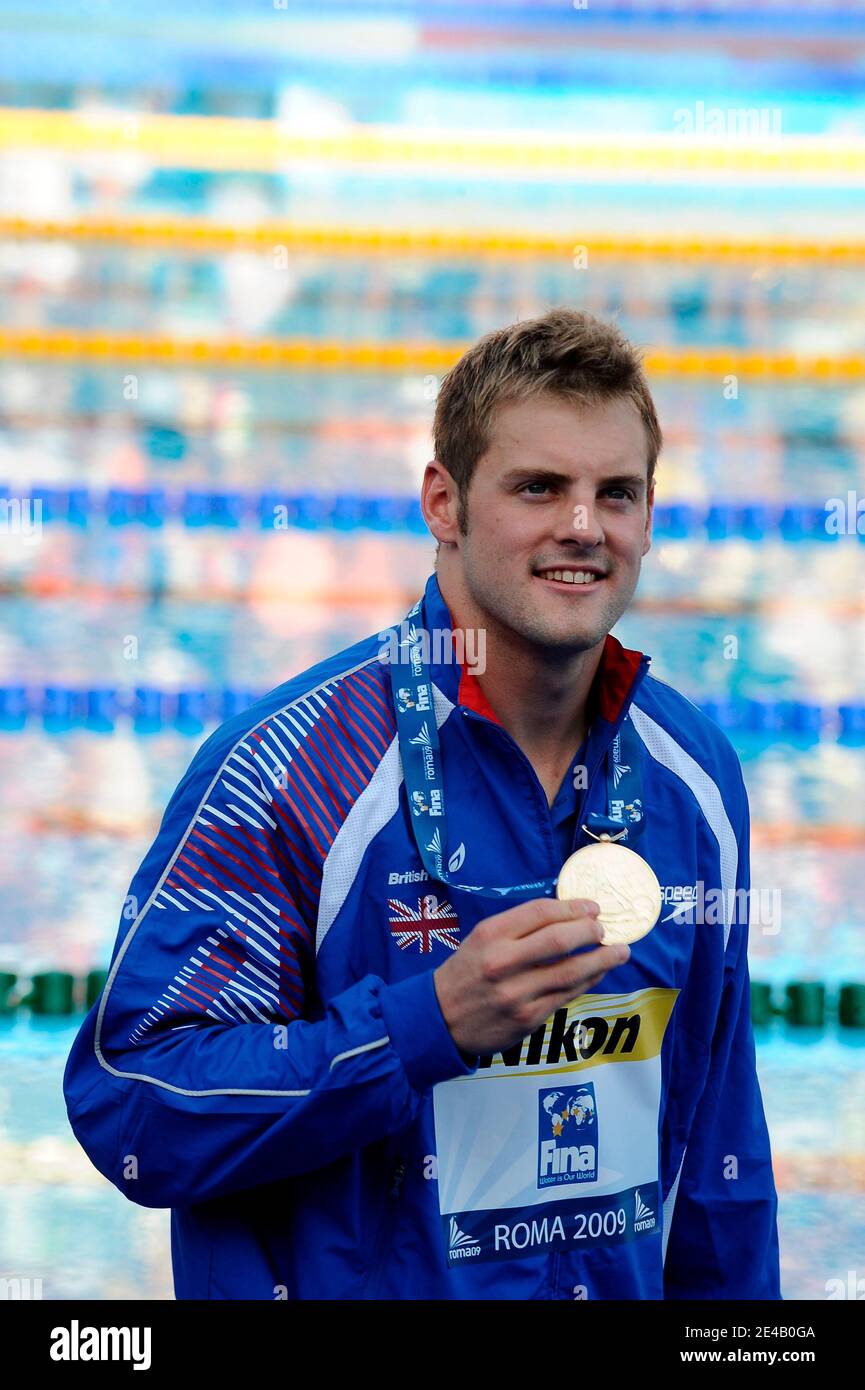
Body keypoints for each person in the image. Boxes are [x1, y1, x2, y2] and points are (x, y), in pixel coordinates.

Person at [63, 308, 781, 1300]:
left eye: (615, 493)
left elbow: (716, 1150)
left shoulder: (691, 775)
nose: (583, 525)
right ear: (442, 503)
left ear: (648, 518)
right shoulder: (297, 768)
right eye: (539, 487)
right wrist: (417, 1028)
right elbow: (132, 1103)